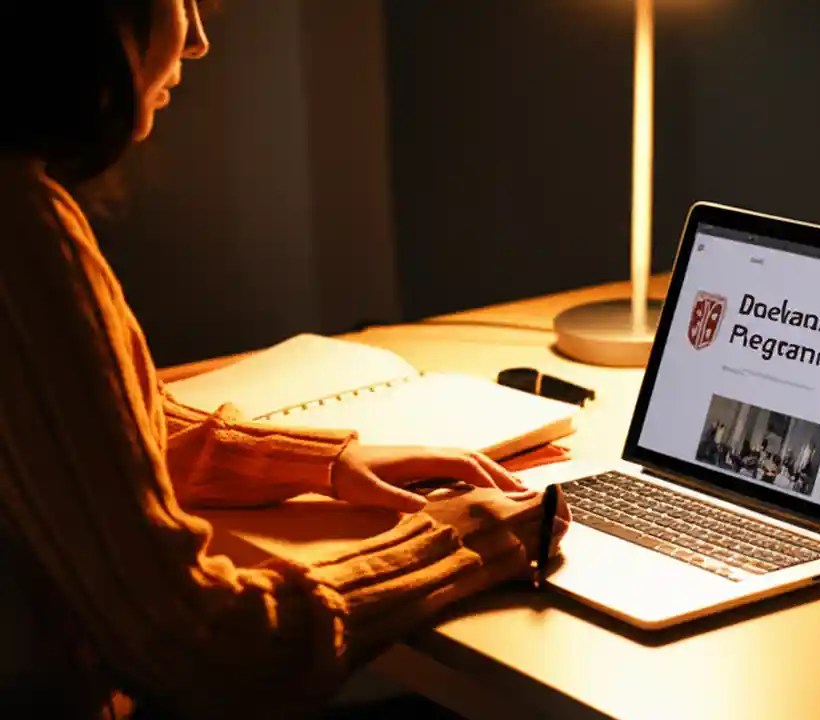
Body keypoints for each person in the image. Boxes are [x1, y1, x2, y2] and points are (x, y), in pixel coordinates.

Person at [0, 1, 567, 716]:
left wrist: (318, 462)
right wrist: (453, 545)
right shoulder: (22, 240)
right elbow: (203, 647)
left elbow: (69, 432)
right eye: (181, 1)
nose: (200, 40)